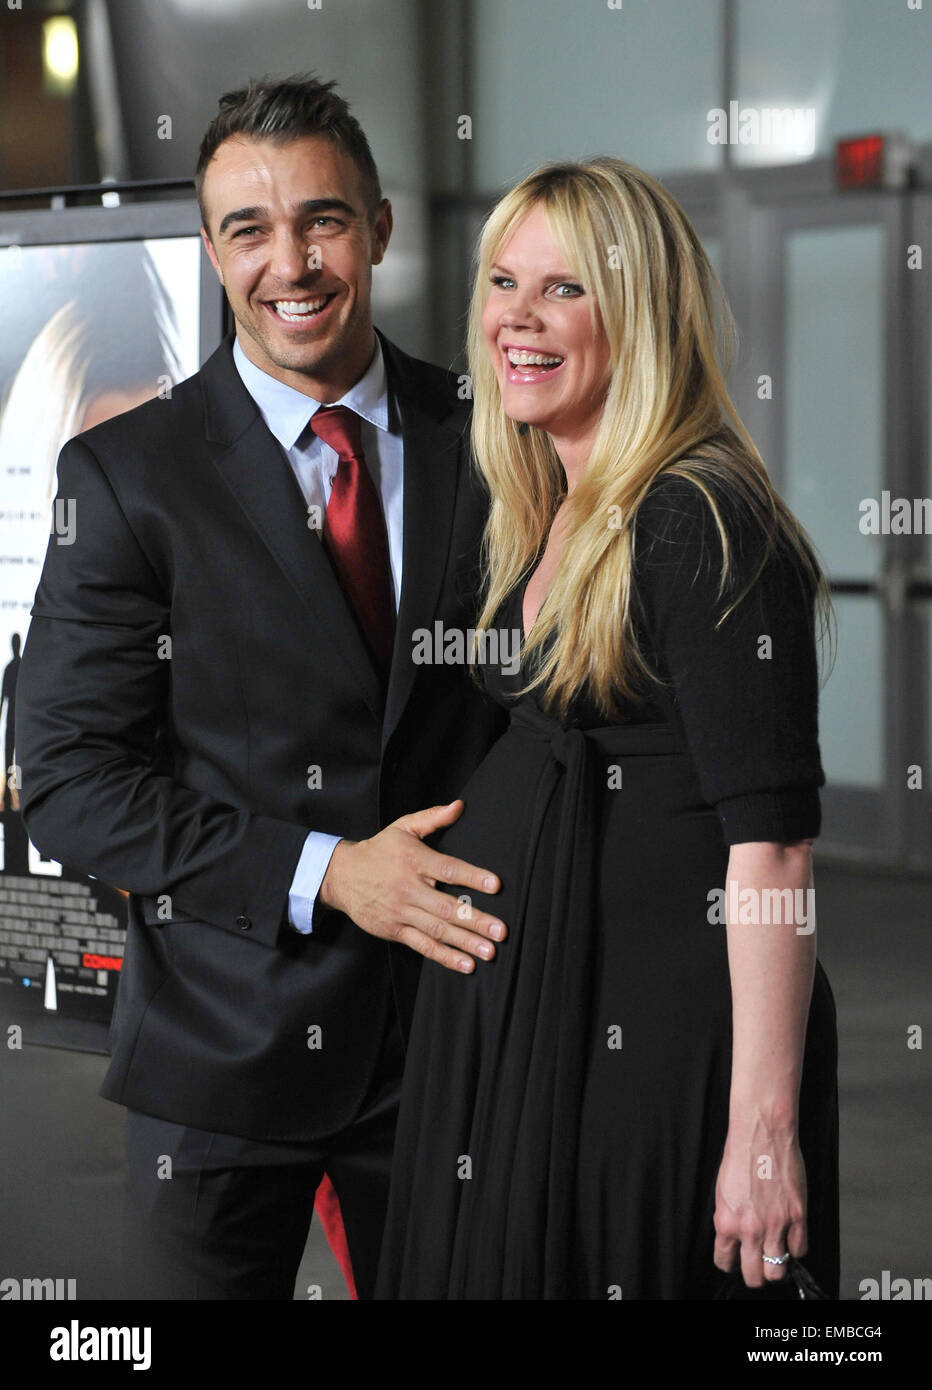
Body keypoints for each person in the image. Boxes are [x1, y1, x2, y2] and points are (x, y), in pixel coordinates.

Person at [14, 74, 509, 1301]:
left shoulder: (494, 439)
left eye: (322, 220)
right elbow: (69, 783)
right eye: (248, 228)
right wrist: (331, 870)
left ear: (379, 229)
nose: (289, 260)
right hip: (219, 1061)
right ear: (211, 249)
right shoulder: (127, 476)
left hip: (457, 1040)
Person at [375, 157, 840, 1300]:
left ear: (638, 310)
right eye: (500, 282)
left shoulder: (699, 518)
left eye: (564, 289)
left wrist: (761, 1128)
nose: (516, 321)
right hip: (543, 1028)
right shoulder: (555, 501)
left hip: (660, 1039)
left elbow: (772, 850)